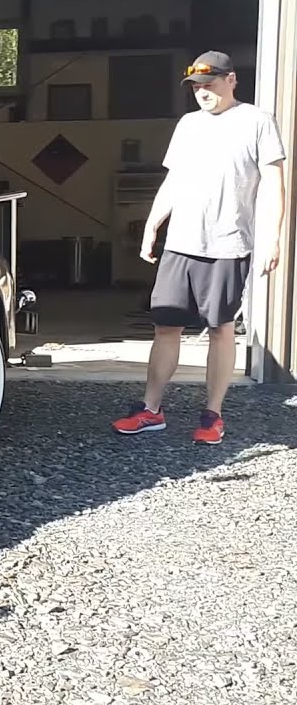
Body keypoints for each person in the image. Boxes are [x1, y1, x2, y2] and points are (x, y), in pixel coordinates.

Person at [112, 51, 287, 444]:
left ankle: (213, 416)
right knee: (166, 325)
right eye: (196, 87)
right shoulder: (189, 125)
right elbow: (174, 180)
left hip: (228, 244)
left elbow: (275, 183)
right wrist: (152, 225)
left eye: (209, 84)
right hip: (181, 244)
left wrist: (272, 237)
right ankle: (151, 410)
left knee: (220, 329)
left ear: (231, 80)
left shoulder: (258, 122)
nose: (202, 92)